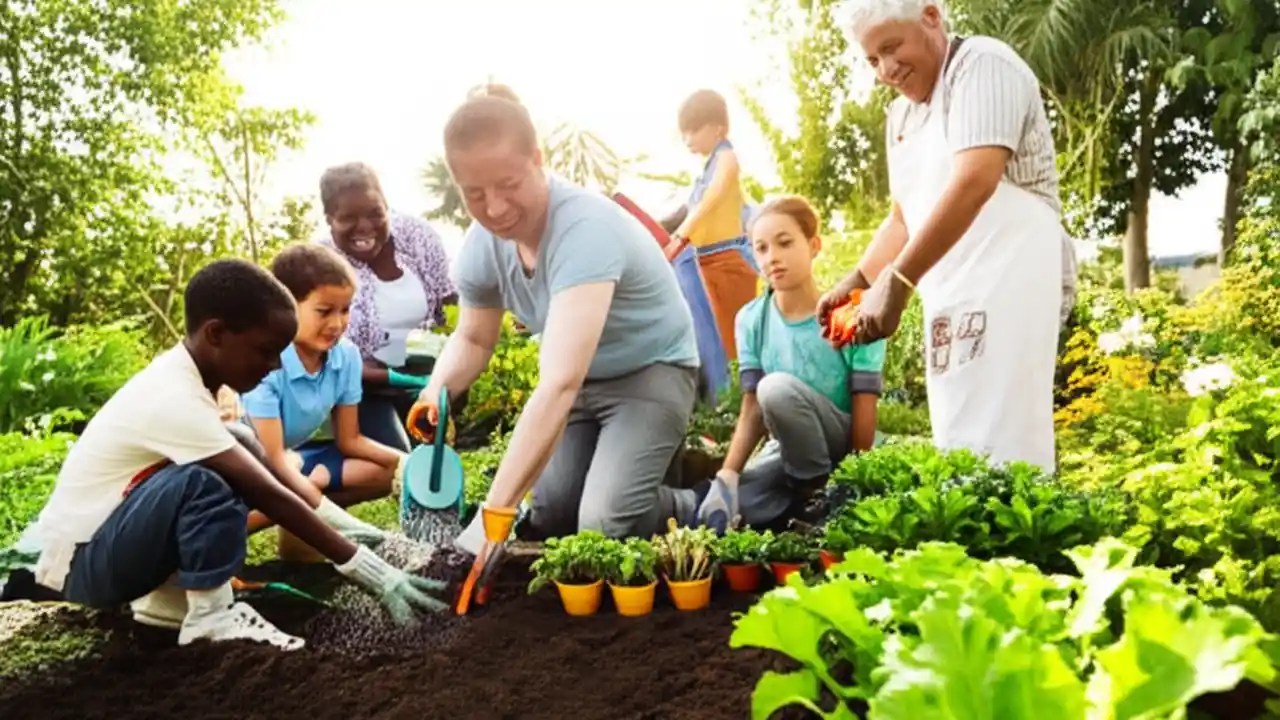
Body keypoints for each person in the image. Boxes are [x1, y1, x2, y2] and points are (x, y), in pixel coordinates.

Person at [28, 259, 448, 651]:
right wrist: (369, 569)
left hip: (106, 551)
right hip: (85, 570)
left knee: (240, 443)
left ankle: (168, 603)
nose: (274, 366)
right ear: (215, 335)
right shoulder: (173, 397)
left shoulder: (188, 379)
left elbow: (268, 474)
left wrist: (371, 541)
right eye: (266, 351)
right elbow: (269, 492)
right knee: (203, 483)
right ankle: (212, 618)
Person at [420, 95, 729, 554]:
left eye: (507, 184)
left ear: (538, 160)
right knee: (553, 516)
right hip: (583, 386)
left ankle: (700, 498)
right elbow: (472, 337)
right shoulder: (482, 246)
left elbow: (558, 384)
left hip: (652, 372)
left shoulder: (584, 229)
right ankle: (655, 469)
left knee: (603, 526)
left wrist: (494, 517)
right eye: (475, 194)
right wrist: (436, 389)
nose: (496, 208)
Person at [819, 0, 1074, 473]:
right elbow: (903, 217)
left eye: (892, 48)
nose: (886, 70)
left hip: (1012, 274)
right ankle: (970, 545)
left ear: (932, 17)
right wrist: (857, 279)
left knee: (1009, 437)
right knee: (958, 438)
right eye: (872, 59)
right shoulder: (901, 117)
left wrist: (896, 283)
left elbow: (976, 180)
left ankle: (1023, 544)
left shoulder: (982, 66)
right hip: (950, 292)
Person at [707, 196, 886, 533]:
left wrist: (858, 480)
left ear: (813, 245)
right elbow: (751, 409)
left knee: (773, 388)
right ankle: (804, 501)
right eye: (761, 249)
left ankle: (817, 502)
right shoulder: (751, 320)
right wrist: (726, 478)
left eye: (785, 243)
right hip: (791, 448)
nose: (772, 257)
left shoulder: (847, 314)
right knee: (745, 503)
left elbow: (864, 405)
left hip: (844, 439)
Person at [241, 243, 405, 517]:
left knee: (388, 472)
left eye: (345, 310)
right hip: (249, 467)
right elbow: (274, 459)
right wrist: (327, 513)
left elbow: (350, 440)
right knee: (290, 492)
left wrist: (410, 465)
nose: (337, 324)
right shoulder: (268, 362)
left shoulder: (346, 357)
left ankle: (314, 486)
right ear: (286, 307)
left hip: (292, 460)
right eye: (324, 311)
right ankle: (253, 523)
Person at [316, 162, 457, 454]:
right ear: (330, 219)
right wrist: (403, 380)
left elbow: (452, 305)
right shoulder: (319, 263)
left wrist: (442, 376)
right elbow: (330, 358)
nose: (365, 227)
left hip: (428, 371)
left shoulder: (418, 237)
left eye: (375, 213)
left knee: (437, 451)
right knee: (400, 456)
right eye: (348, 218)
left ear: (386, 206)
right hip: (362, 388)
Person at [669, 89, 760, 363]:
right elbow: (690, 207)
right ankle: (721, 389)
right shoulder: (707, 168)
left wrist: (681, 234)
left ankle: (737, 389)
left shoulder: (726, 158)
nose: (687, 140)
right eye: (684, 132)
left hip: (728, 258)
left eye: (694, 130)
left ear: (718, 128)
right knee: (710, 331)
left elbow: (713, 198)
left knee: (732, 334)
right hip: (706, 261)